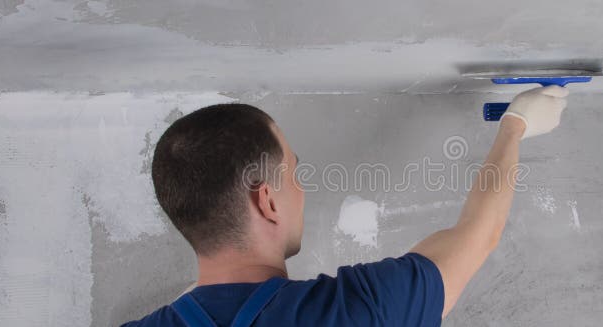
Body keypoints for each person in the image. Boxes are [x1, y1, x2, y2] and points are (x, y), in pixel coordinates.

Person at [121, 85, 569, 326]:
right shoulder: (359, 310)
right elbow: (478, 234)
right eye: (294, 174)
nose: (302, 191)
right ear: (267, 201)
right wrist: (515, 126)